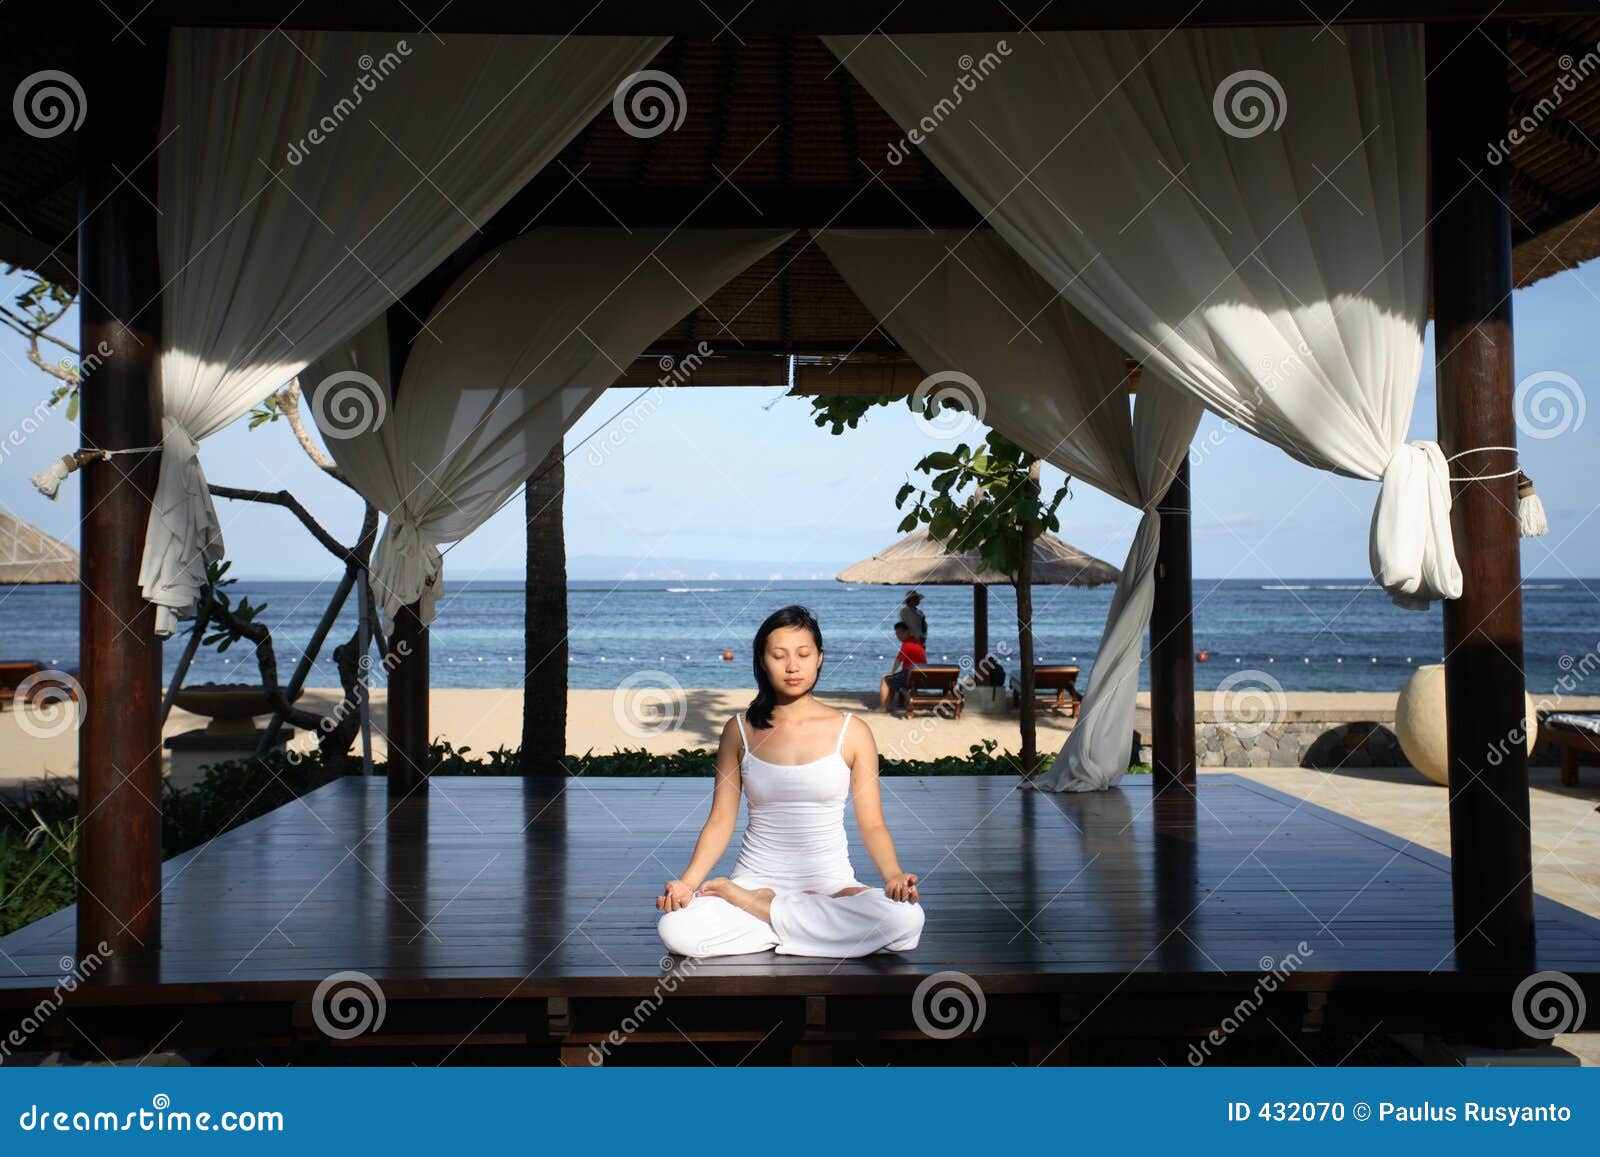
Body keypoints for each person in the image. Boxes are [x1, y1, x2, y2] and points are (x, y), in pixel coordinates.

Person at [656, 605, 925, 958]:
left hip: (831, 885)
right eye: (779, 655)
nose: (793, 666)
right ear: (762, 661)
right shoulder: (738, 731)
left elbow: (872, 824)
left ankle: (766, 914)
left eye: (803, 654)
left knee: (905, 921)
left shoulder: (853, 732)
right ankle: (802, 925)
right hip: (754, 880)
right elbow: (721, 821)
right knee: (676, 930)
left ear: (819, 658)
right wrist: (688, 883)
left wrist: (892, 876)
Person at [878, 621, 927, 714]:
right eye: (896, 633)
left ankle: (883, 707)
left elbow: (898, 660)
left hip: (910, 674)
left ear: (907, 632)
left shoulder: (907, 644)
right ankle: (889, 705)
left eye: (900, 633)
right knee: (891, 679)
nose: (898, 636)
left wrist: (892, 672)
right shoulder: (917, 642)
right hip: (919, 674)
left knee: (885, 679)